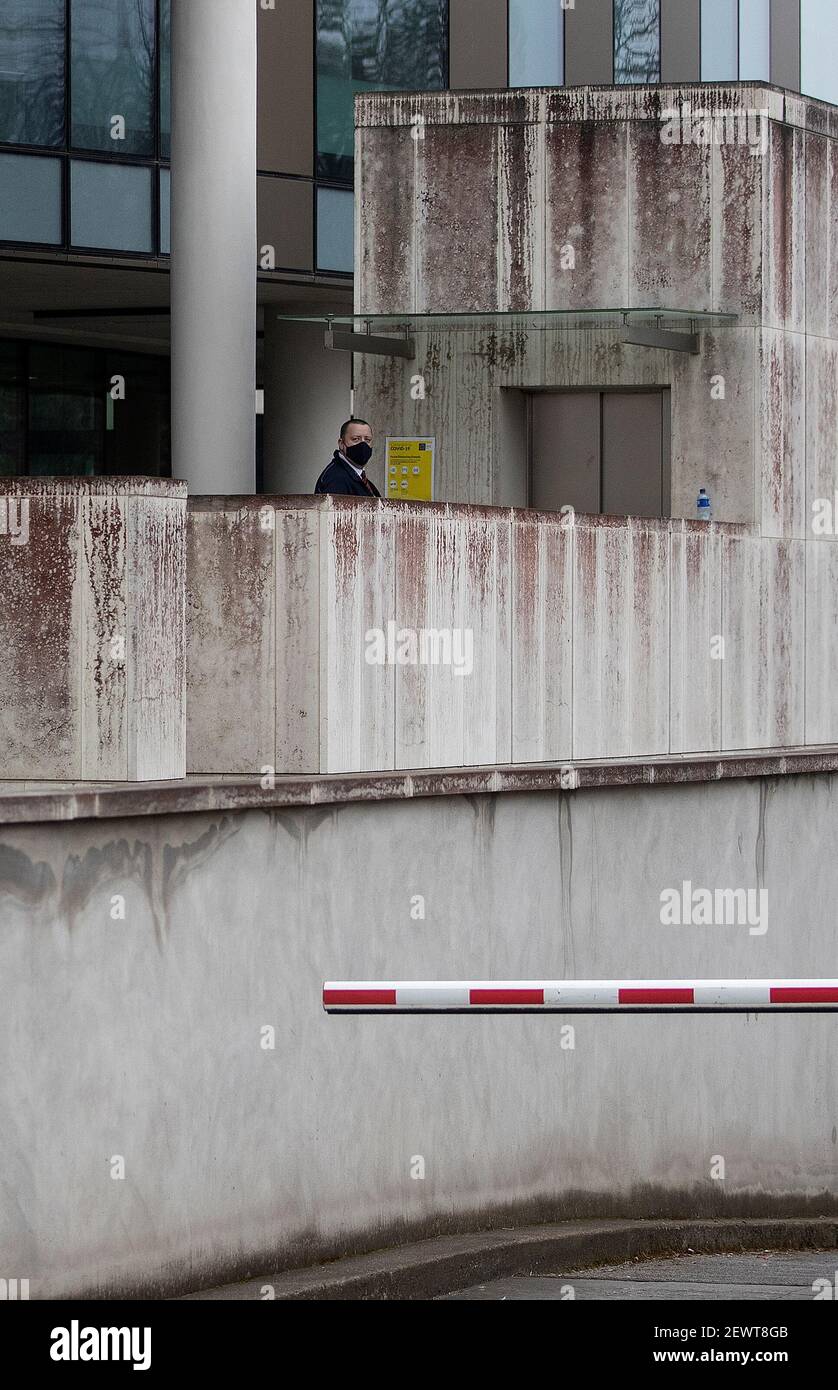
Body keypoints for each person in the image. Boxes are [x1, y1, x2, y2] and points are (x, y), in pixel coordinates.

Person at [314, 419, 381, 497]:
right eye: (356, 439)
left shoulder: (357, 477)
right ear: (341, 444)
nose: (363, 444)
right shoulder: (336, 479)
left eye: (367, 440)